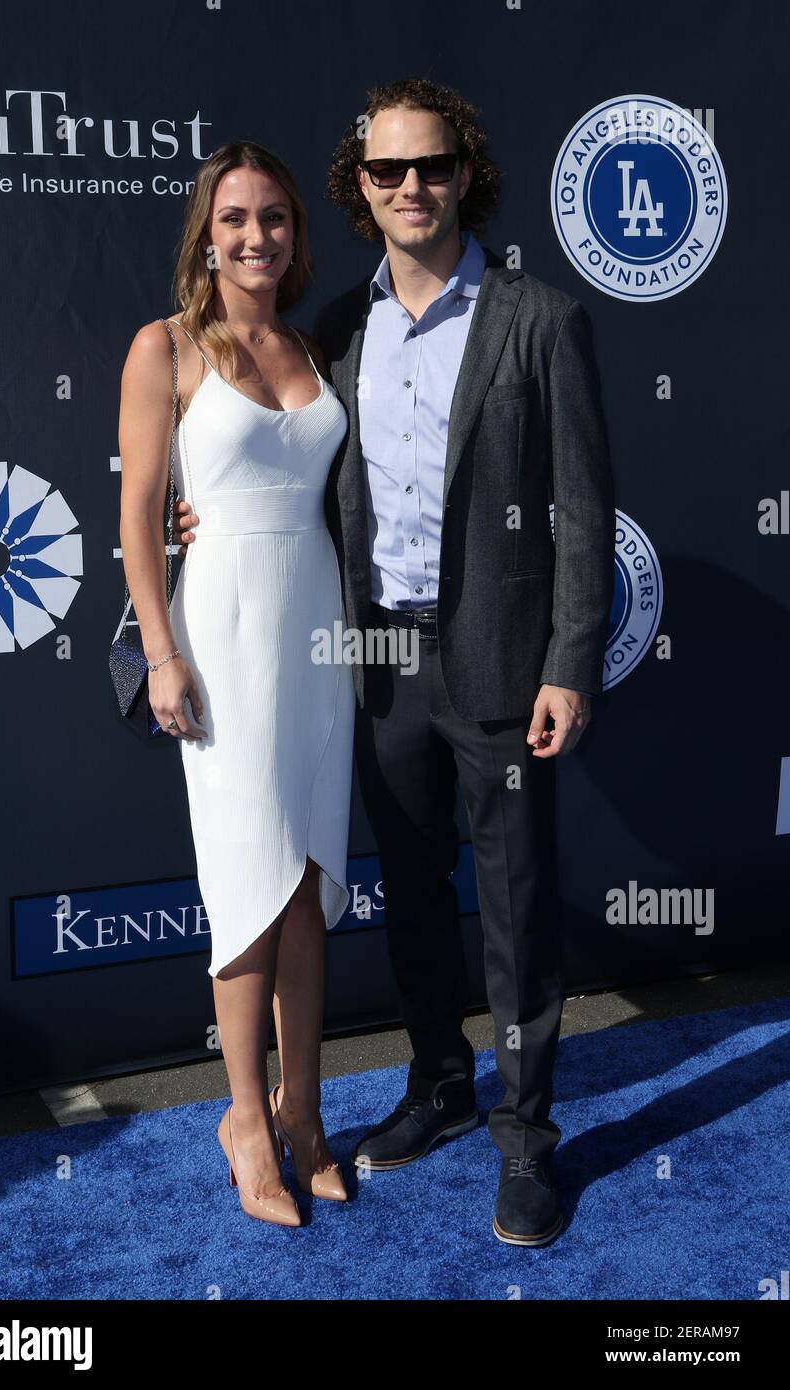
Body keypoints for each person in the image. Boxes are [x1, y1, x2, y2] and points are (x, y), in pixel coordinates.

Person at [175, 78, 615, 1247]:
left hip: (504, 664)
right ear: (359, 191)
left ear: (465, 174)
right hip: (369, 660)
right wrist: (194, 518)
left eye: (430, 167)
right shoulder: (340, 333)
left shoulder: (539, 318)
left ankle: (528, 1143)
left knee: (515, 913)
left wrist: (572, 661)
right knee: (412, 895)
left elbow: (582, 504)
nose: (410, 187)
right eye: (386, 171)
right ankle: (439, 1083)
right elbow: (272, 463)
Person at [118, 141, 355, 1228]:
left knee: (306, 882)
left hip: (320, 632)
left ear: (296, 235)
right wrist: (163, 655)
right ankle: (243, 1123)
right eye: (234, 219)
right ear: (204, 235)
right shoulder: (163, 348)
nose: (255, 236)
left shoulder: (314, 344)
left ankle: (302, 1110)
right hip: (222, 637)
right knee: (248, 889)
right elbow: (138, 521)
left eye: (274, 218)